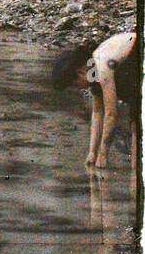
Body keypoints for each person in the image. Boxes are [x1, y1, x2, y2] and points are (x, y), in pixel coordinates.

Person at [51, 29, 139, 170]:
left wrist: (103, 155)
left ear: (80, 72)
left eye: (76, 84)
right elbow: (97, 112)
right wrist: (92, 152)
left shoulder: (102, 66)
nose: (79, 88)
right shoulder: (93, 71)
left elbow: (111, 114)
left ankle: (136, 177)